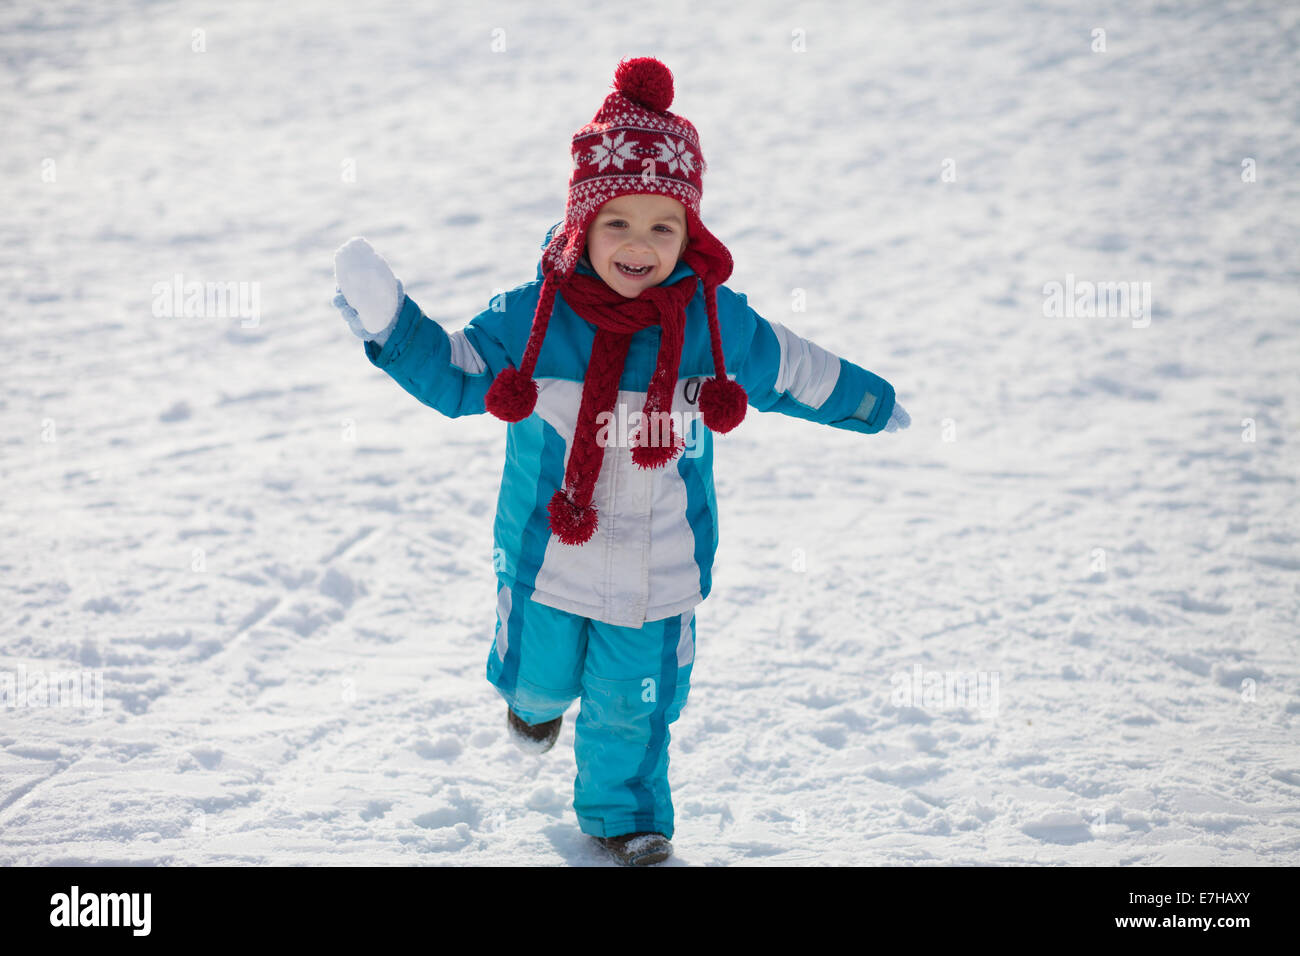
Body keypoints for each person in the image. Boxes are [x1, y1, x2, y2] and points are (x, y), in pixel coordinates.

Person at [331, 57, 910, 866]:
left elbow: (791, 368)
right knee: (540, 683)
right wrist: (393, 325)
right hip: (548, 557)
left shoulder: (711, 320)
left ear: (689, 234)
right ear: (583, 223)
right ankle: (530, 707)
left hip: (658, 570)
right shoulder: (536, 316)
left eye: (663, 228)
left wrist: (869, 401)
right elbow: (462, 375)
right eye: (620, 225)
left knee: (632, 708)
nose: (641, 247)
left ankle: (625, 817)